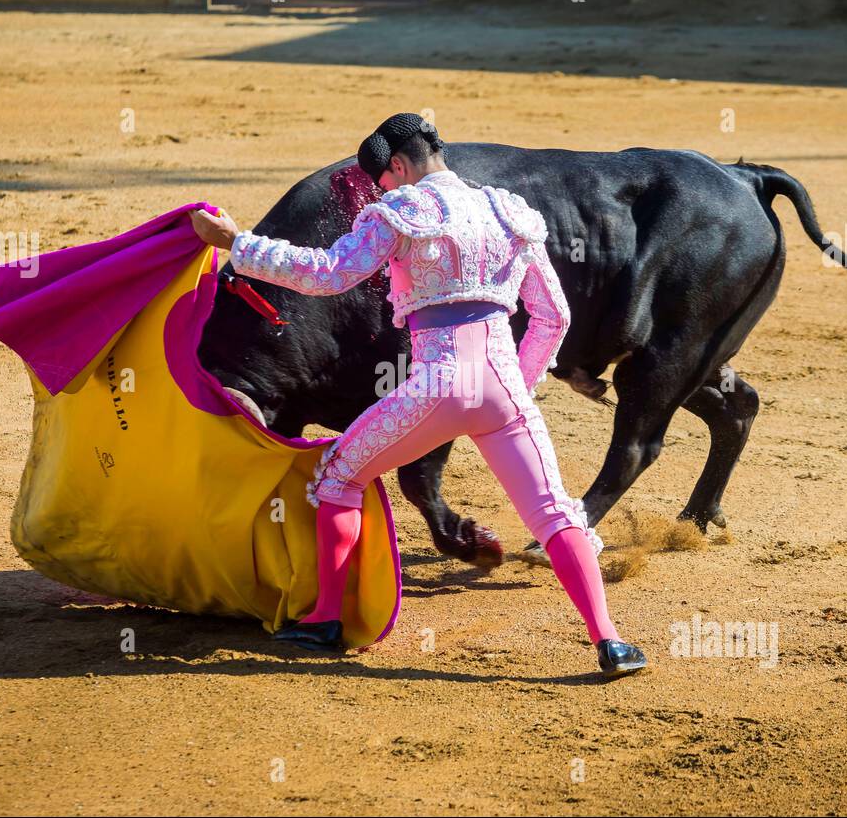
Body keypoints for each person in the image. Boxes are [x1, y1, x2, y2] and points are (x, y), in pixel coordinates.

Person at [191, 113, 646, 678]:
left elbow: (330, 274)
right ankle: (612, 641)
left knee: (338, 476)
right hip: (505, 388)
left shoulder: (402, 212)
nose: (383, 191)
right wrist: (519, 391)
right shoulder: (509, 212)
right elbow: (553, 317)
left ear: (398, 166)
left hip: (436, 385)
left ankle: (326, 619)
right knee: (556, 513)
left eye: (384, 180)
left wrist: (239, 244)